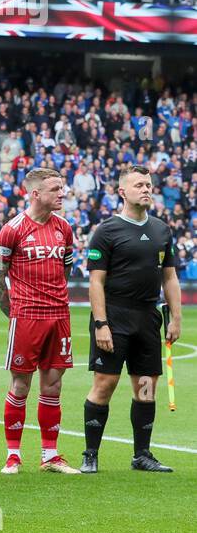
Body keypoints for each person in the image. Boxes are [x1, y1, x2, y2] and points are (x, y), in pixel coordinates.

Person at [81, 165, 183, 473]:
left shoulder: (162, 230)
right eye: (139, 185)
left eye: (149, 185)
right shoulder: (107, 231)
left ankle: (142, 455)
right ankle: (90, 454)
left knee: (145, 387)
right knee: (105, 383)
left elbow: (170, 276)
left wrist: (175, 317)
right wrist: (101, 324)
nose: (147, 189)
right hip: (114, 314)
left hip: (147, 316)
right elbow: (96, 282)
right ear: (122, 191)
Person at [0, 168, 80, 474]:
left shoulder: (64, 229)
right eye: (55, 189)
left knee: (53, 386)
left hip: (59, 316)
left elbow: (65, 271)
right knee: (20, 384)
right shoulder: (12, 230)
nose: (61, 193)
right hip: (26, 317)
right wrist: (14, 312)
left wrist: (55, 298)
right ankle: (13, 455)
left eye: (61, 188)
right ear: (36, 194)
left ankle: (49, 455)